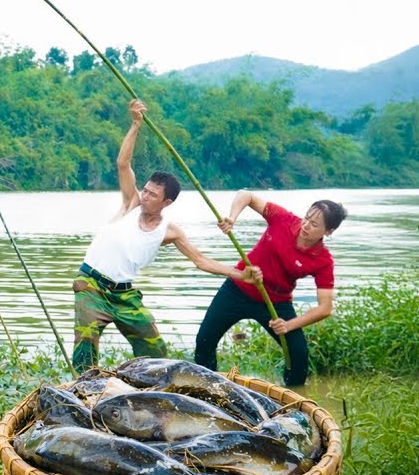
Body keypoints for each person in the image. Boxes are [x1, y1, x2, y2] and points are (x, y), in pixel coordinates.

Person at [71, 99, 262, 373]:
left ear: (167, 202)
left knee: (156, 351)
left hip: (124, 296)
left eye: (152, 195)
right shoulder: (130, 203)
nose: (146, 196)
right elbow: (122, 163)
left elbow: (201, 261)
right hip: (91, 284)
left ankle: (137, 385)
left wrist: (240, 274)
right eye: (146, 190)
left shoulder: (169, 230)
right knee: (86, 346)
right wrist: (136, 124)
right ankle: (84, 391)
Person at [194, 191, 346, 386]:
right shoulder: (284, 219)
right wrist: (232, 218)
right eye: (306, 218)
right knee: (205, 339)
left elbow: (325, 308)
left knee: (298, 354)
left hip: (275, 302)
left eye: (314, 224)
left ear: (329, 231)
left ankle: (293, 400)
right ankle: (208, 387)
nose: (305, 225)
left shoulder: (323, 261)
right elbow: (246, 195)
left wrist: (289, 324)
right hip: (237, 289)